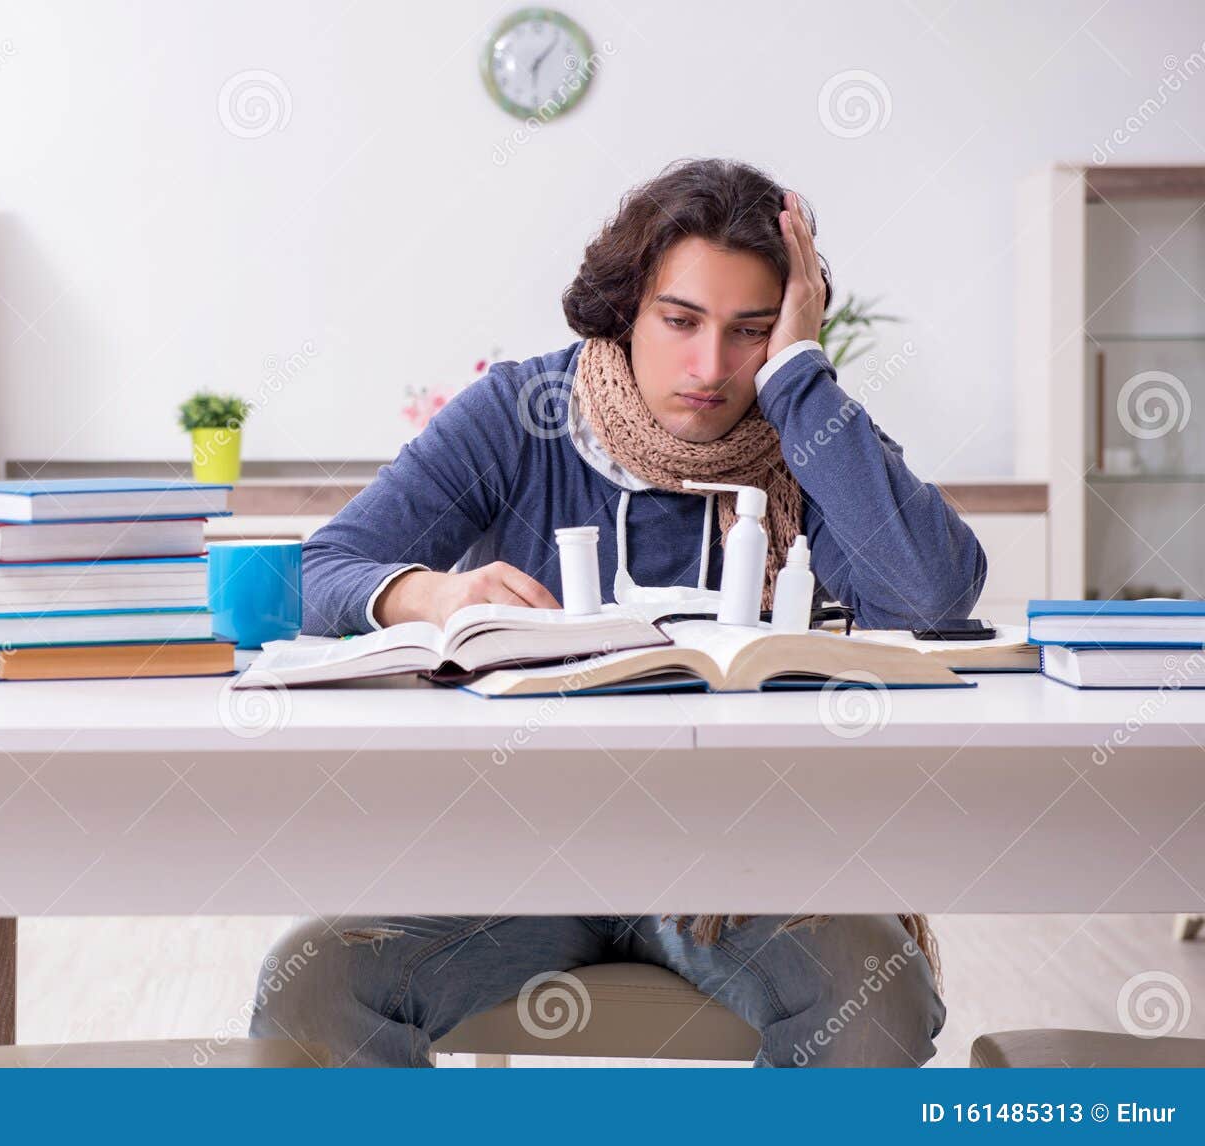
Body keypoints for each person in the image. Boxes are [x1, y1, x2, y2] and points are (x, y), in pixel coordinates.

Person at [249, 158, 985, 1067]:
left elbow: (931, 600)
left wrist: (799, 381)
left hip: (737, 872)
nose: (711, 367)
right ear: (626, 307)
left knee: (878, 990)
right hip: (518, 859)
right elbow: (319, 573)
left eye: (752, 331)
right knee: (314, 985)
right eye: (680, 321)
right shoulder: (522, 414)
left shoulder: (808, 434)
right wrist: (432, 595)